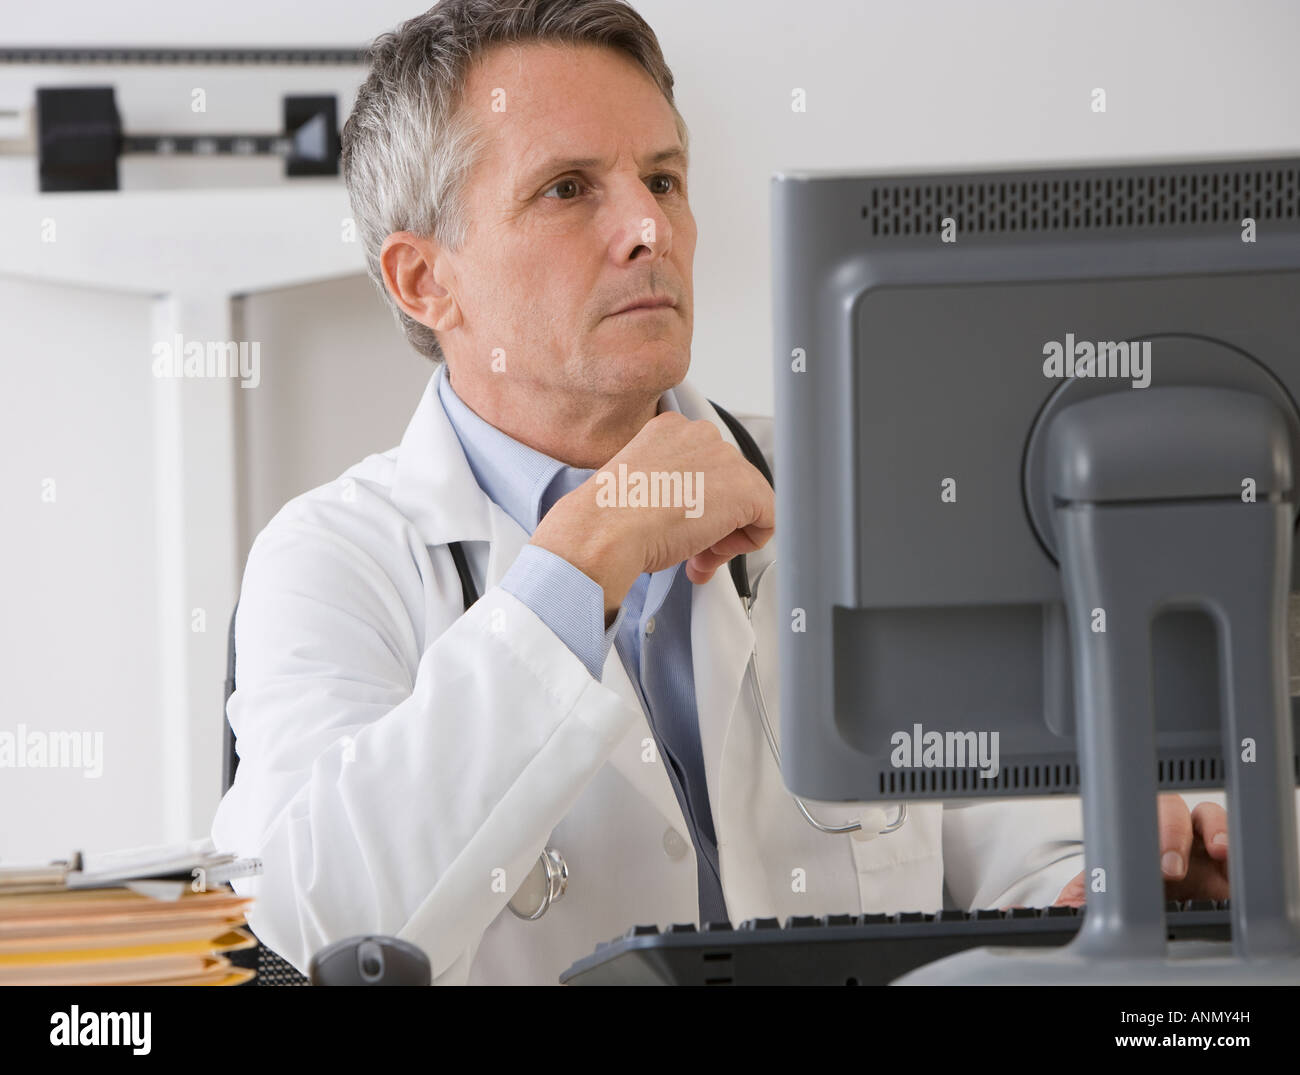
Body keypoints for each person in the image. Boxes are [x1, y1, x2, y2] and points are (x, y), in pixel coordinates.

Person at [211, 0, 1230, 985]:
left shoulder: (859, 481)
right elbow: (297, 937)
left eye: (662, 177)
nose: (649, 228)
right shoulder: (335, 561)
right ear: (424, 281)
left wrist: (1114, 894)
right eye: (568, 188)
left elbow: (1016, 843)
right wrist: (589, 550)